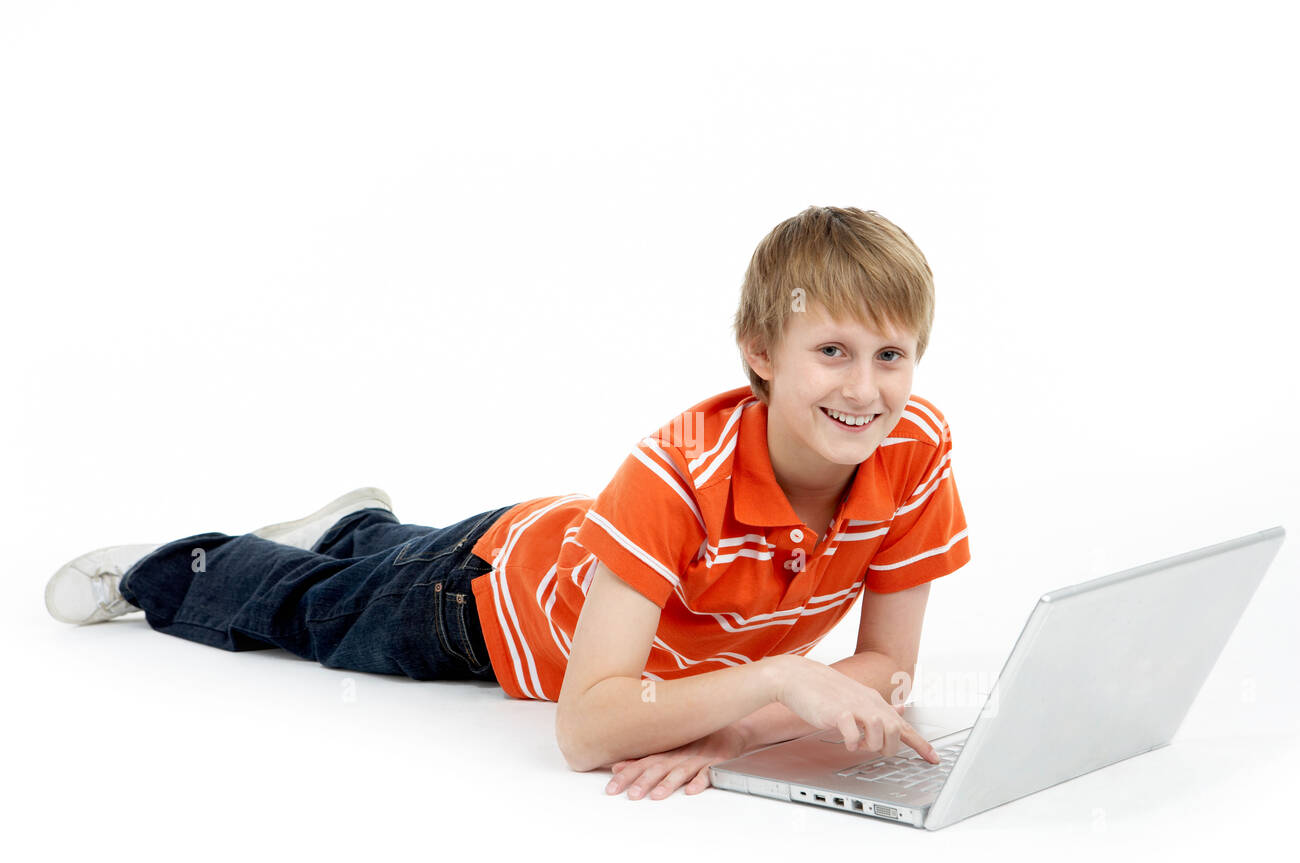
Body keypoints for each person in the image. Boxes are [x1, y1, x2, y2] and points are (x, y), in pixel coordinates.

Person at [44, 205, 971, 802]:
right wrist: (774, 684)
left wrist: (727, 733)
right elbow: (586, 730)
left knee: (382, 556)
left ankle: (354, 530)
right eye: (833, 352)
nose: (866, 389)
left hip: (571, 547)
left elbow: (887, 667)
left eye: (891, 355)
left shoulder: (914, 451)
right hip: (481, 603)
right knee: (314, 612)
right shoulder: (680, 477)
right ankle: (158, 570)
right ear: (761, 353)